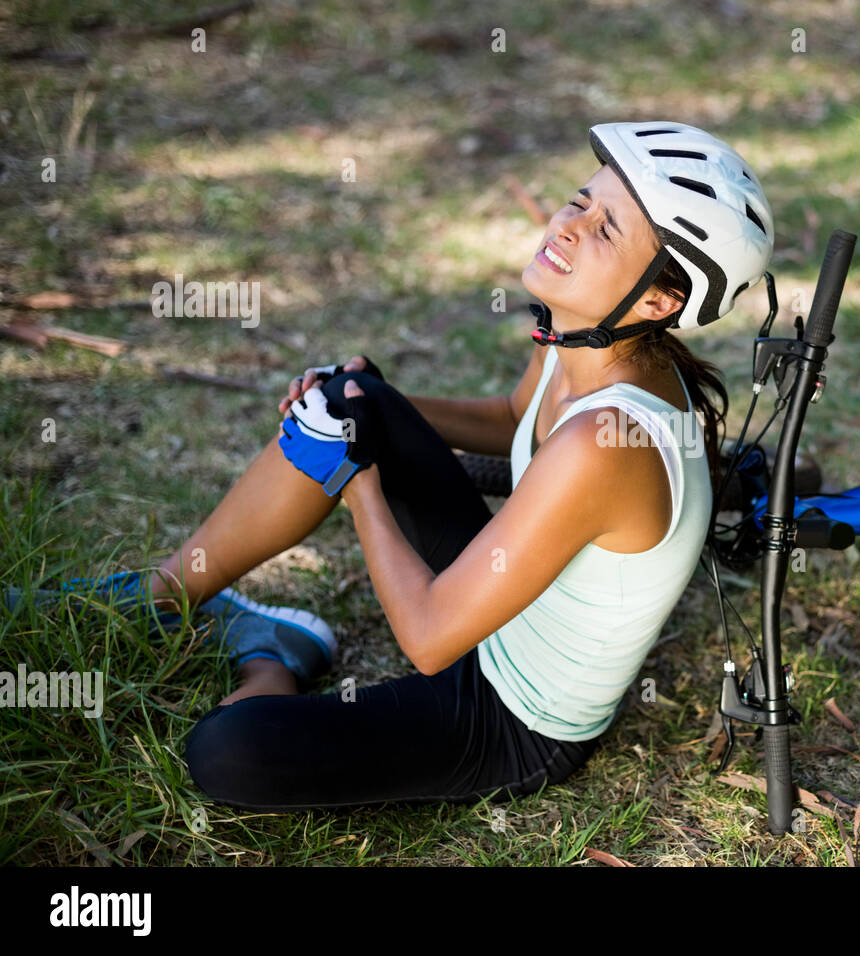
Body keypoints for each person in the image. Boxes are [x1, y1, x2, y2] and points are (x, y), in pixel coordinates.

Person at [8, 121, 775, 810]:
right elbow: (512, 420)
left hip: (510, 720)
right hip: (500, 599)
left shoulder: (606, 436)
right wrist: (378, 402)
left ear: (657, 301)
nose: (571, 227)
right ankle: (160, 593)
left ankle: (269, 652)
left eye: (607, 232)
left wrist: (361, 486)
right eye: (581, 201)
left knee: (229, 753)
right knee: (348, 403)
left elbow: (432, 637)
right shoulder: (588, 344)